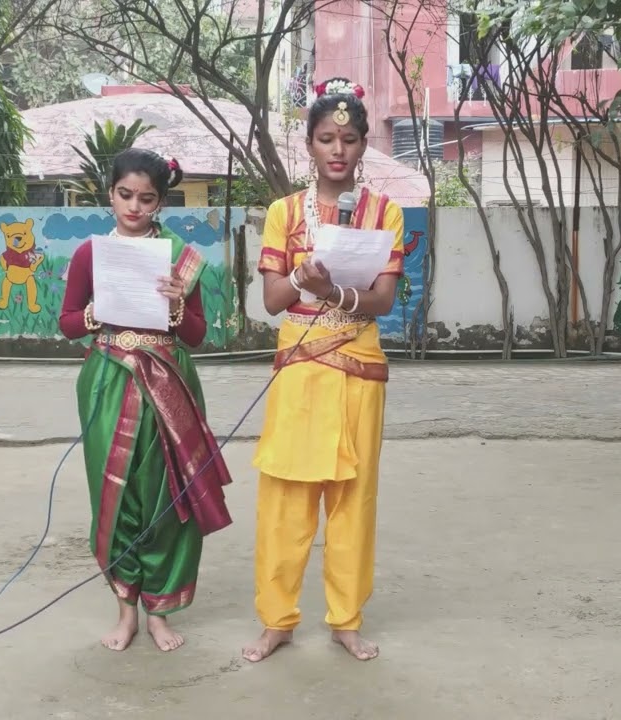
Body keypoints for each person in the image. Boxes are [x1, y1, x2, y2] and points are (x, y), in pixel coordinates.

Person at [242, 77, 405, 663]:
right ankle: (277, 620)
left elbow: (383, 301)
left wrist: (333, 290)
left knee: (353, 500)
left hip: (359, 368)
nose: (339, 150)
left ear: (363, 146)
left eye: (351, 139)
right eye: (327, 139)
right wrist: (302, 279)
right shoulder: (283, 213)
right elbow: (272, 300)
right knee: (285, 497)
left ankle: (346, 620)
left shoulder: (385, 213)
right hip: (300, 370)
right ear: (309, 144)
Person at [59, 148, 234, 653]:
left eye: (147, 198)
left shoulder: (180, 255)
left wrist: (178, 303)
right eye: (125, 195)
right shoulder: (90, 254)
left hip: (168, 382)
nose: (134, 207)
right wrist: (97, 311)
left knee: (167, 498)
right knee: (114, 497)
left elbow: (197, 335)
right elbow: (67, 323)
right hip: (108, 380)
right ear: (109, 194)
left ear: (160, 202)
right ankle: (125, 612)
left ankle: (160, 613)